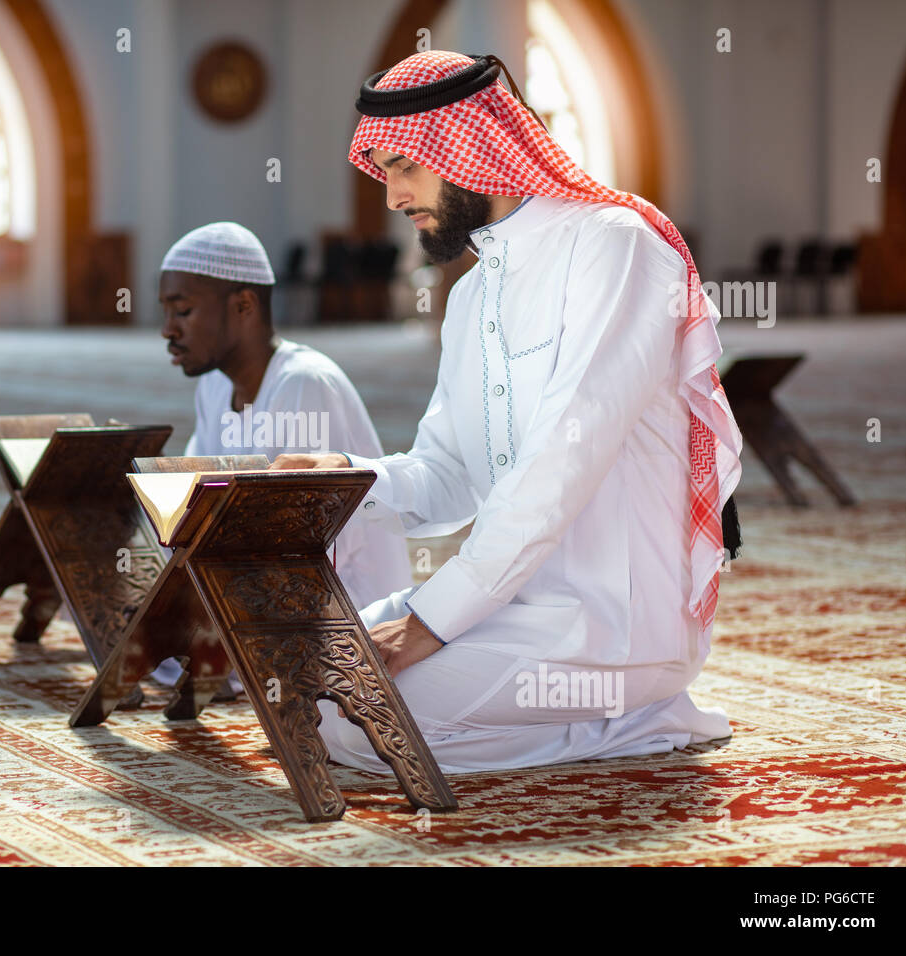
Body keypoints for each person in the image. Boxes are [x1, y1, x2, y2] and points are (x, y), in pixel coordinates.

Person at [272, 52, 744, 774]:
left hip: (608, 623)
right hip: (508, 604)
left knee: (357, 724)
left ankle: (638, 715)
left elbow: (562, 460)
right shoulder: (468, 299)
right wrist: (344, 475)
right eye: (383, 171)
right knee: (301, 672)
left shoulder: (613, 247)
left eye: (406, 166)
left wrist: (429, 622)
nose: (393, 196)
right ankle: (586, 719)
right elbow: (448, 475)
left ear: (469, 146)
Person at [152, 221, 413, 687]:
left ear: (244, 306)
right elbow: (191, 498)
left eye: (184, 310)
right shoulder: (215, 384)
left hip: (341, 607)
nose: (168, 330)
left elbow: (300, 544)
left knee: (161, 641)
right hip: (257, 587)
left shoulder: (302, 383)